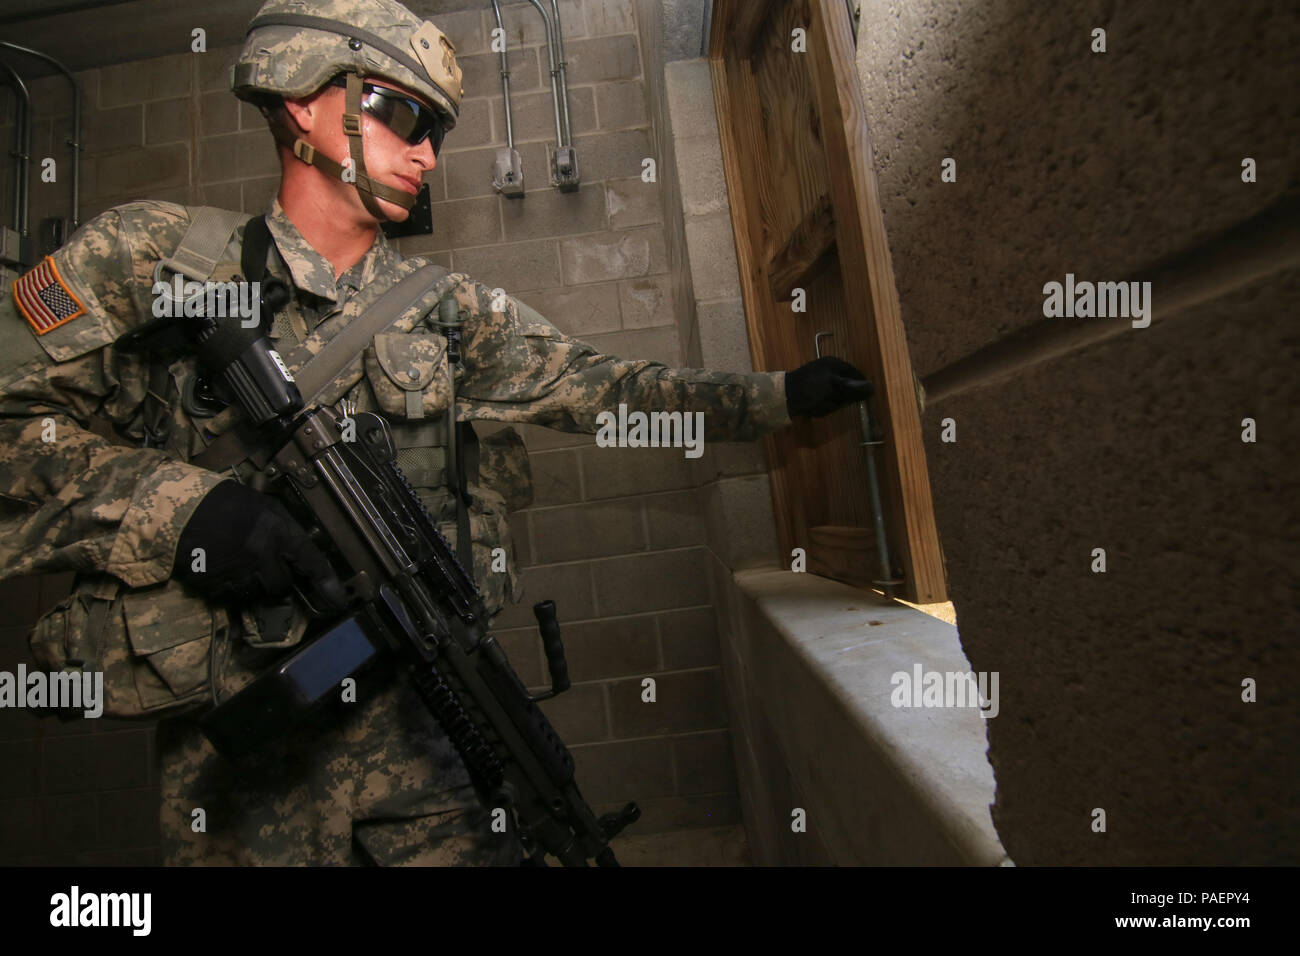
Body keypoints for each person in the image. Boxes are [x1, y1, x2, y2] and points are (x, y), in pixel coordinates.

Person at [0, 0, 871, 865]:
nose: (426, 152)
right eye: (403, 113)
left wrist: (774, 397)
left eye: (438, 132)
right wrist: (186, 513)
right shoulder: (157, 258)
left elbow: (606, 391)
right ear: (303, 99)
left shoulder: (448, 313)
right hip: (241, 763)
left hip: (429, 734)